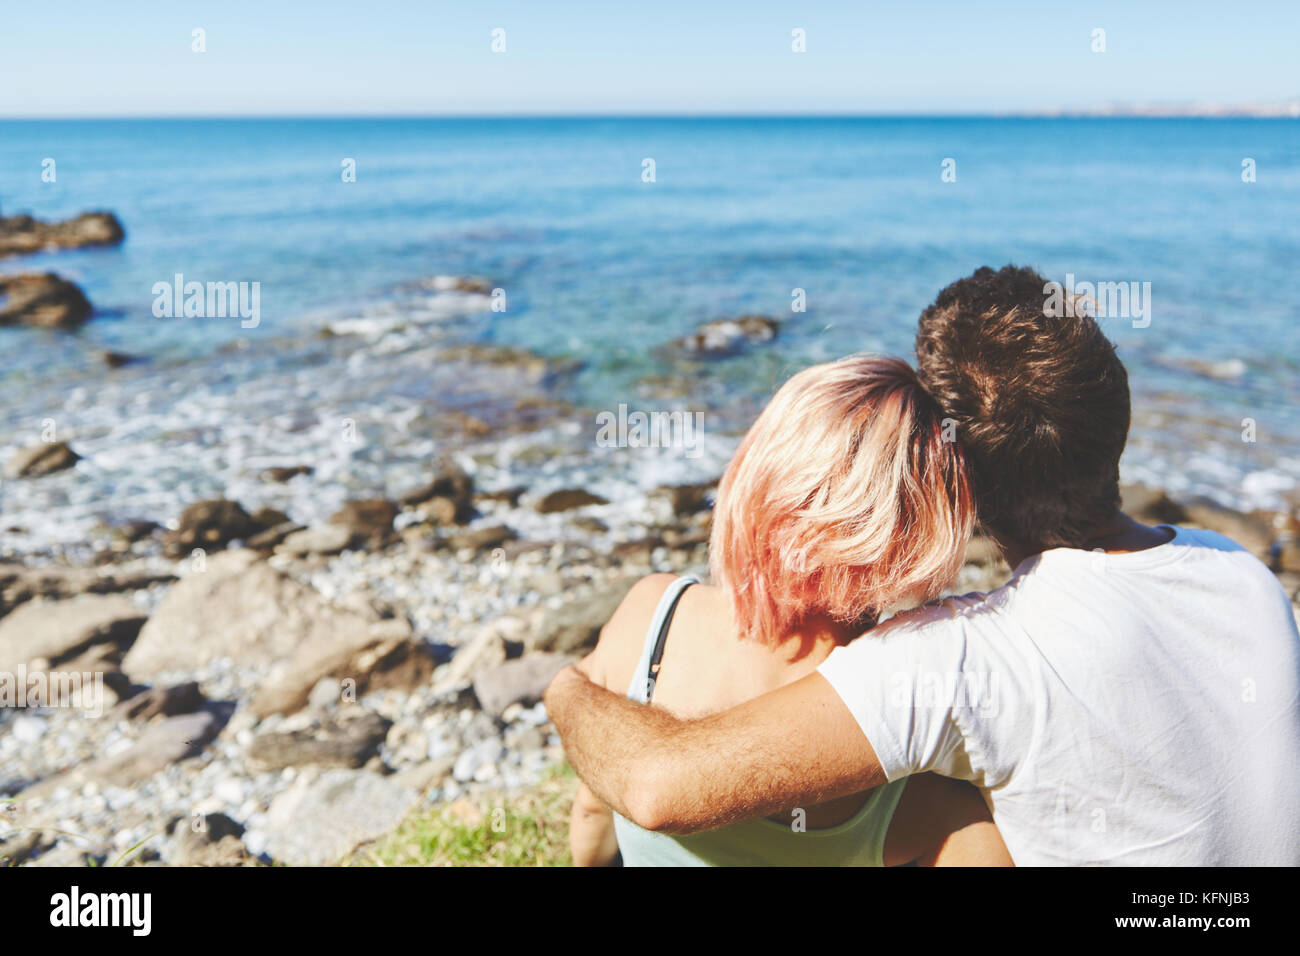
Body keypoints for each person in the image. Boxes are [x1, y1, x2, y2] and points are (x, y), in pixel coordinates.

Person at [548, 265, 1300, 866]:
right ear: (1118, 419)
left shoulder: (961, 660)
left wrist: (567, 689)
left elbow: (656, 787)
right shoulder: (1243, 574)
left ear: (957, 481)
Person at [568, 355, 1011, 865]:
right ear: (924, 527)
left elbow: (592, 809)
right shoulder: (915, 764)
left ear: (760, 469)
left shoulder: (653, 612)